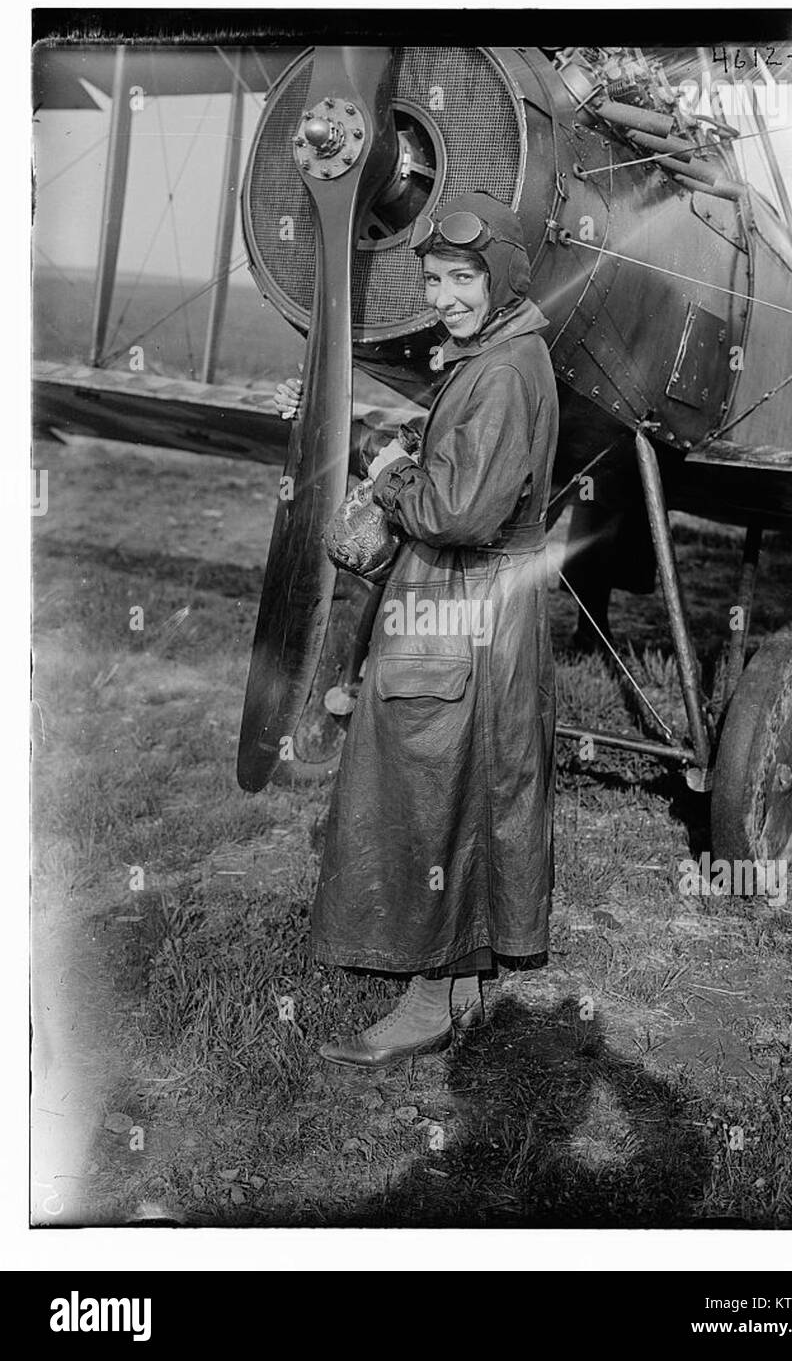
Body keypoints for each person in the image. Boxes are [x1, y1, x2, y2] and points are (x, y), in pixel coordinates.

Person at [275, 191, 559, 1069]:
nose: (444, 296)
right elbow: (451, 460)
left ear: (500, 275)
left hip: (461, 604)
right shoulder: (499, 355)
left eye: (462, 277)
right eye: (433, 278)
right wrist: (368, 437)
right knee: (475, 790)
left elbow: (456, 506)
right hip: (480, 606)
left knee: (423, 791)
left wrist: (390, 479)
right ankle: (466, 978)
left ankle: (428, 998)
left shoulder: (506, 371)